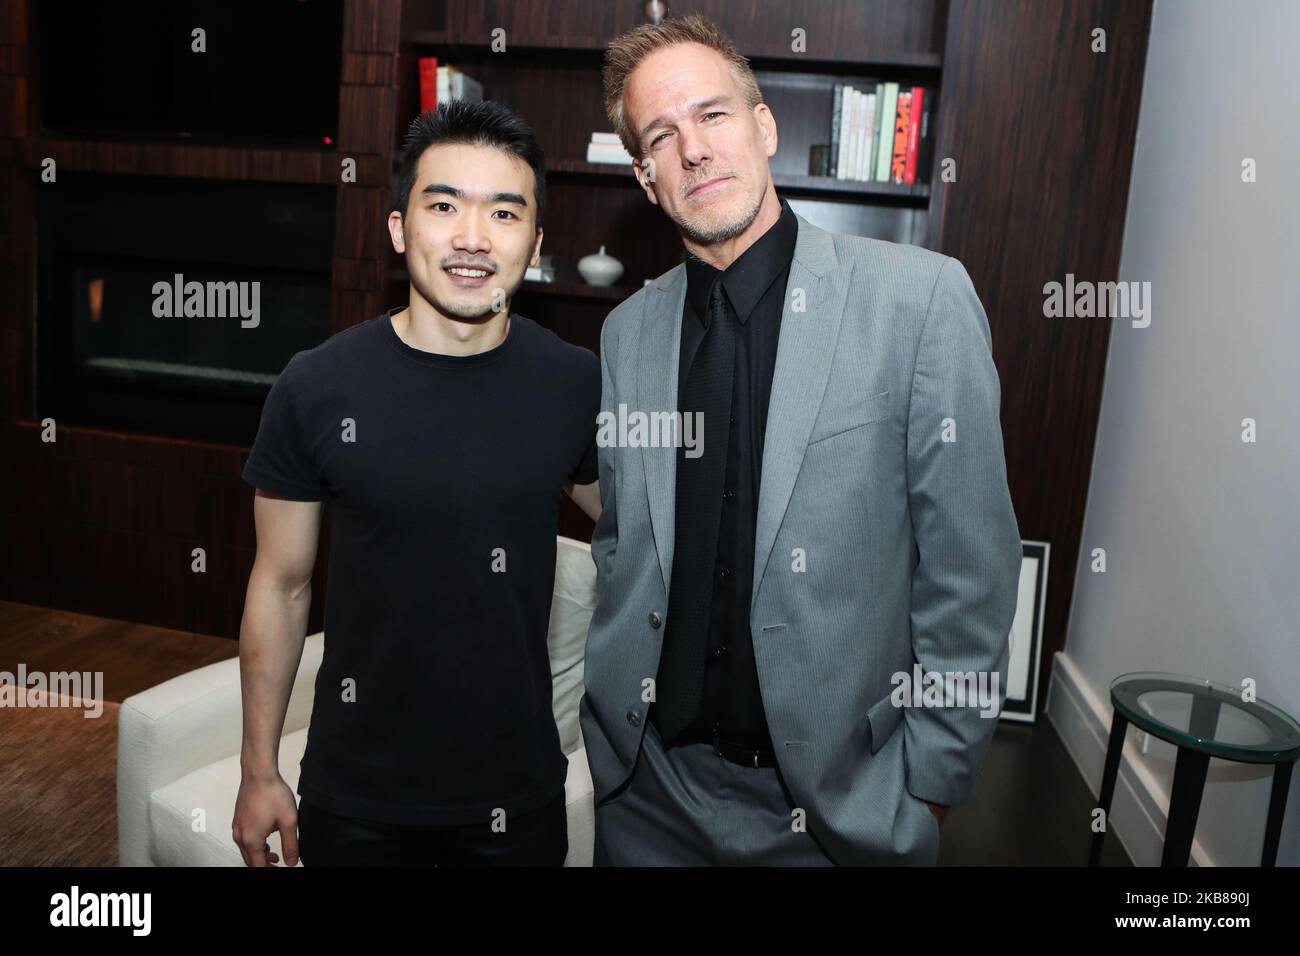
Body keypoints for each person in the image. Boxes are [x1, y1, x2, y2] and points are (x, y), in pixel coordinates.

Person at [580, 14, 1023, 865]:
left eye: (713, 116)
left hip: (834, 811)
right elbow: (619, 545)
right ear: (645, 178)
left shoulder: (919, 302)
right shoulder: (627, 332)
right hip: (647, 797)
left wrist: (933, 781)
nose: (695, 151)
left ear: (764, 126)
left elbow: (970, 570)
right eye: (663, 137)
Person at [232, 100, 601, 866]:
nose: (471, 238)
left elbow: (643, 535)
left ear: (535, 243)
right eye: (443, 206)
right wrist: (258, 769)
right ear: (400, 228)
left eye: (504, 213)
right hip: (355, 796)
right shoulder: (315, 387)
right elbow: (281, 584)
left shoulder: (575, 384)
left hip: (518, 794)